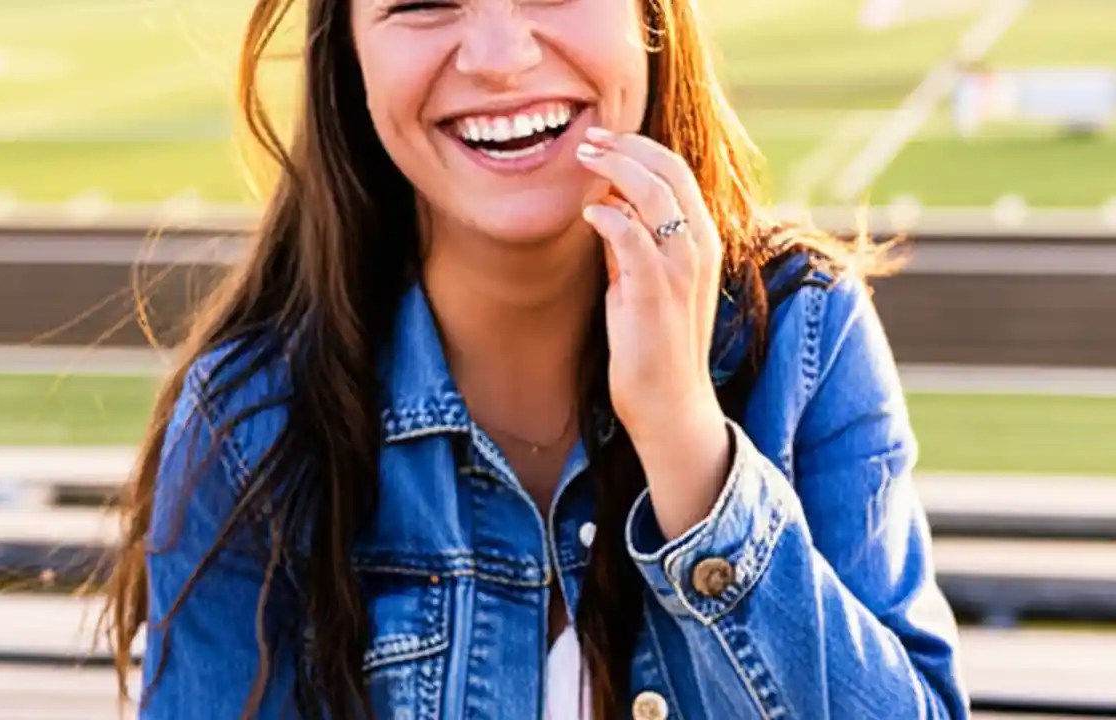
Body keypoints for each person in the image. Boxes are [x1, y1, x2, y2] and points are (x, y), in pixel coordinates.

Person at [100, 0, 968, 718]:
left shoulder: (805, 337)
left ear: (649, 17)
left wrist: (686, 446)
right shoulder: (253, 419)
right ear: (350, 58)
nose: (499, 57)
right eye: (423, 1)